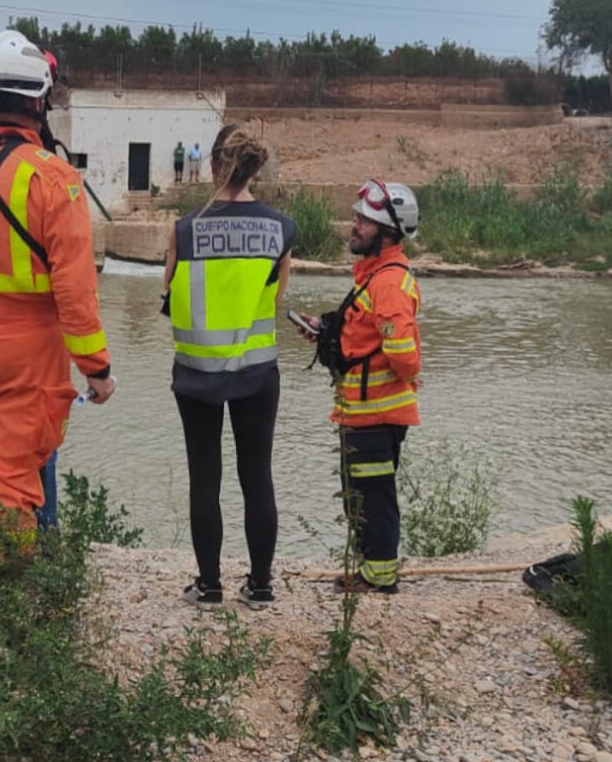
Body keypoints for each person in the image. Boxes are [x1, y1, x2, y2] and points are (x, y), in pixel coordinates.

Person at [0, 29, 114, 547]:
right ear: (38, 100)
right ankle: (8, 604)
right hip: (27, 353)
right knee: (13, 482)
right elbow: (75, 292)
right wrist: (96, 368)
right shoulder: (52, 179)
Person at [163, 124, 291, 608]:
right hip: (257, 372)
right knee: (257, 474)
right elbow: (276, 298)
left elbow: (169, 295)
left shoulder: (184, 229)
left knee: (205, 477)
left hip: (197, 373)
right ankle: (260, 586)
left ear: (215, 164)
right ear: (255, 168)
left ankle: (209, 585)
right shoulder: (280, 229)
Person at [296, 178, 422, 594]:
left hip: (376, 413)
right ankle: (371, 569)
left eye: (363, 221)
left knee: (372, 499)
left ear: (387, 233)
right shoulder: (375, 275)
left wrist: (402, 370)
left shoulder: (386, 281)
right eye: (356, 218)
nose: (353, 226)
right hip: (364, 411)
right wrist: (328, 329)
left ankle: (379, 579)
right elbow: (363, 329)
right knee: (361, 497)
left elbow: (403, 355)